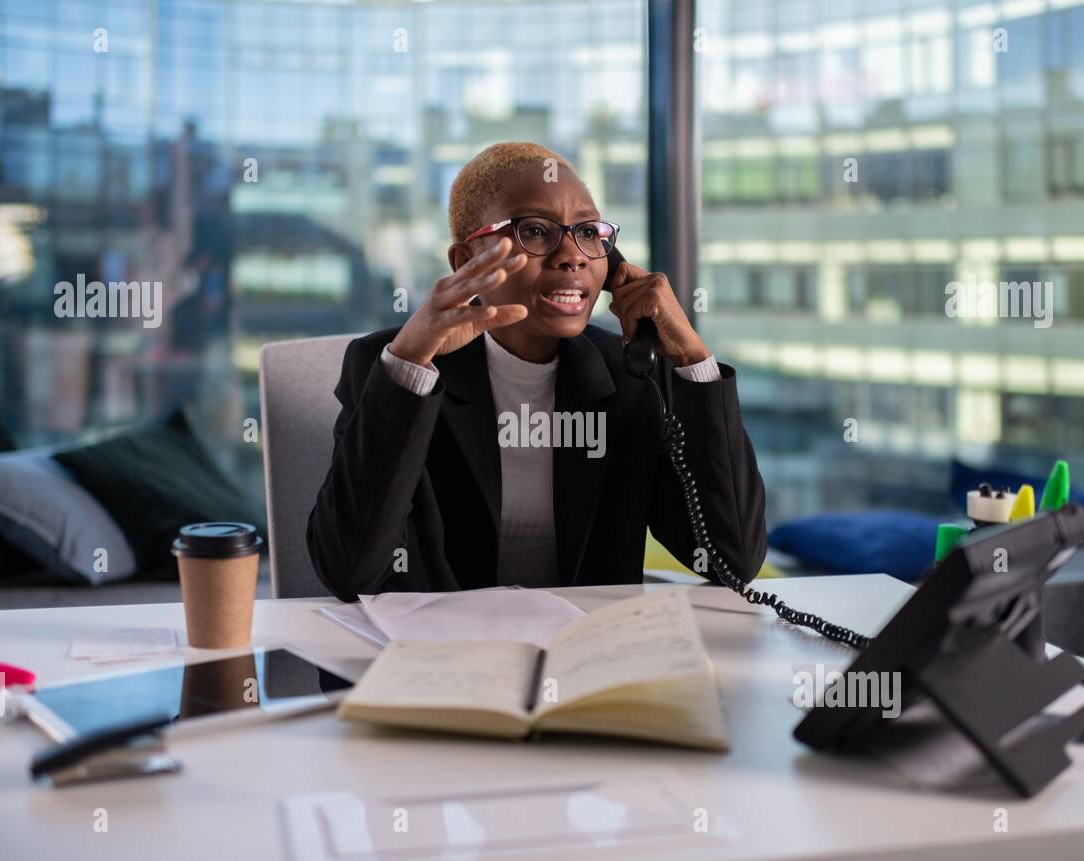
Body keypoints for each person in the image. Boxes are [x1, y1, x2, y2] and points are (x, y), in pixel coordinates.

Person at [308, 141, 766, 602]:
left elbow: (733, 559)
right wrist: (409, 366)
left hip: (587, 660)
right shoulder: (391, 367)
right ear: (466, 262)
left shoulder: (634, 378)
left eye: (588, 233)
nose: (573, 255)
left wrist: (692, 361)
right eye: (535, 231)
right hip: (442, 657)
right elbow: (348, 571)